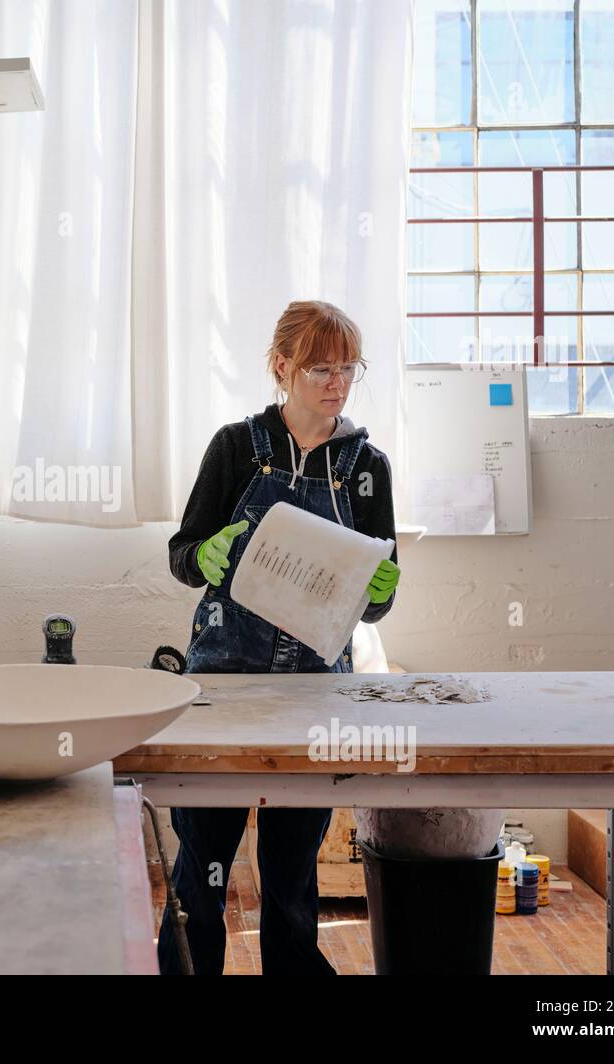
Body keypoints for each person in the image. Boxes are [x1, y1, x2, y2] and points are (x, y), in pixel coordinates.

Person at [159, 299, 400, 975]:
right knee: (201, 880)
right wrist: (203, 557)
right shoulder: (236, 447)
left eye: (348, 368)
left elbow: (377, 603)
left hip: (315, 691)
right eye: (320, 367)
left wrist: (382, 593)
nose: (336, 382)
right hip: (225, 685)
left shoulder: (368, 466)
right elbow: (182, 553)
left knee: (292, 889)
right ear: (281, 367)